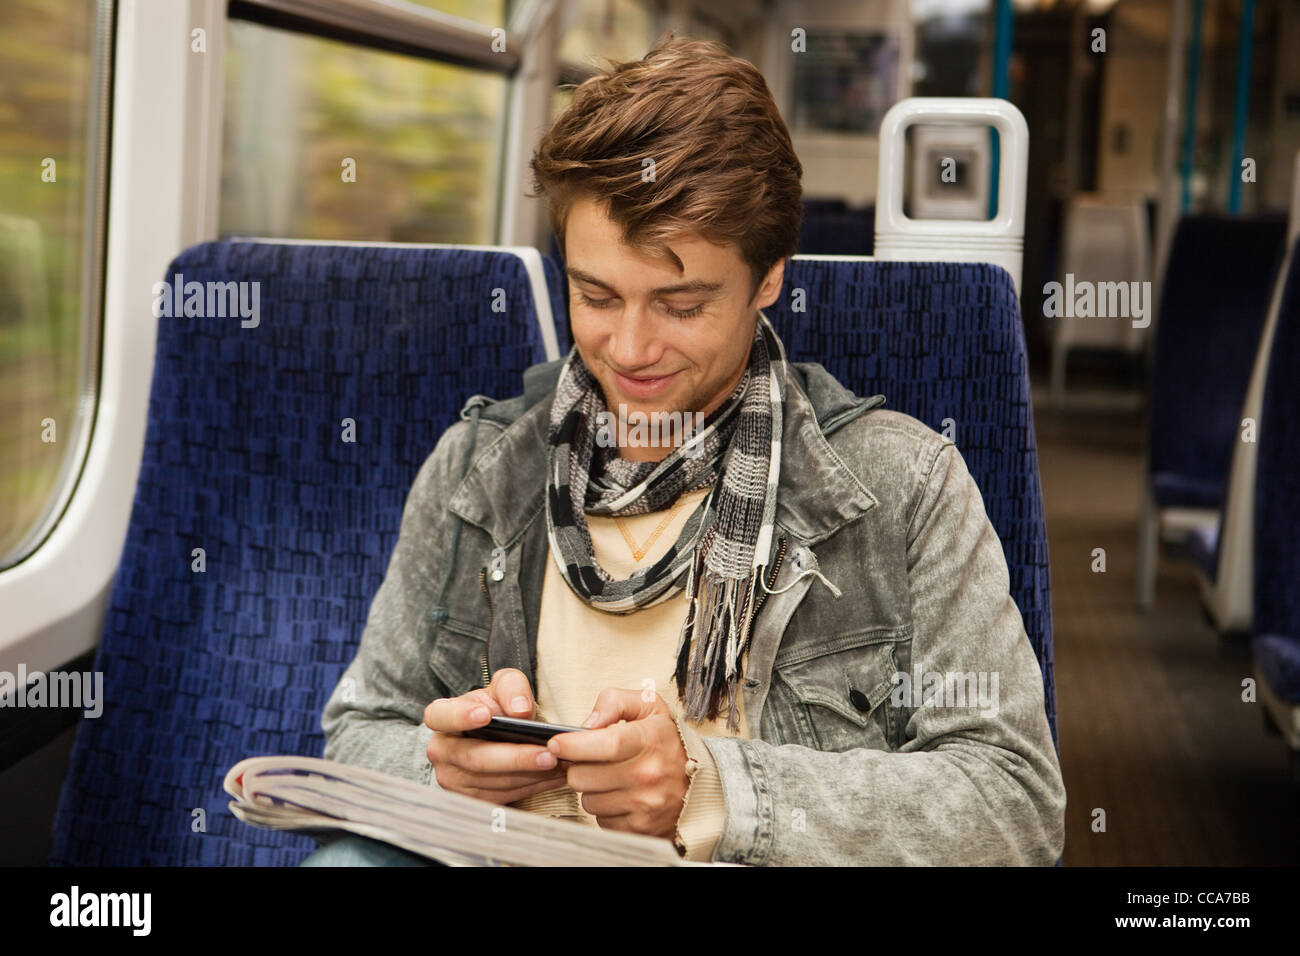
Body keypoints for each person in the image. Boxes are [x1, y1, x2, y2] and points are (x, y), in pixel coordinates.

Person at [305, 34, 1065, 866]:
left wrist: (710, 789)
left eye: (682, 305)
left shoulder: (905, 487)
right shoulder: (477, 470)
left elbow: (1012, 806)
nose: (629, 348)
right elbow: (359, 731)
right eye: (596, 295)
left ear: (769, 277)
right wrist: (441, 770)